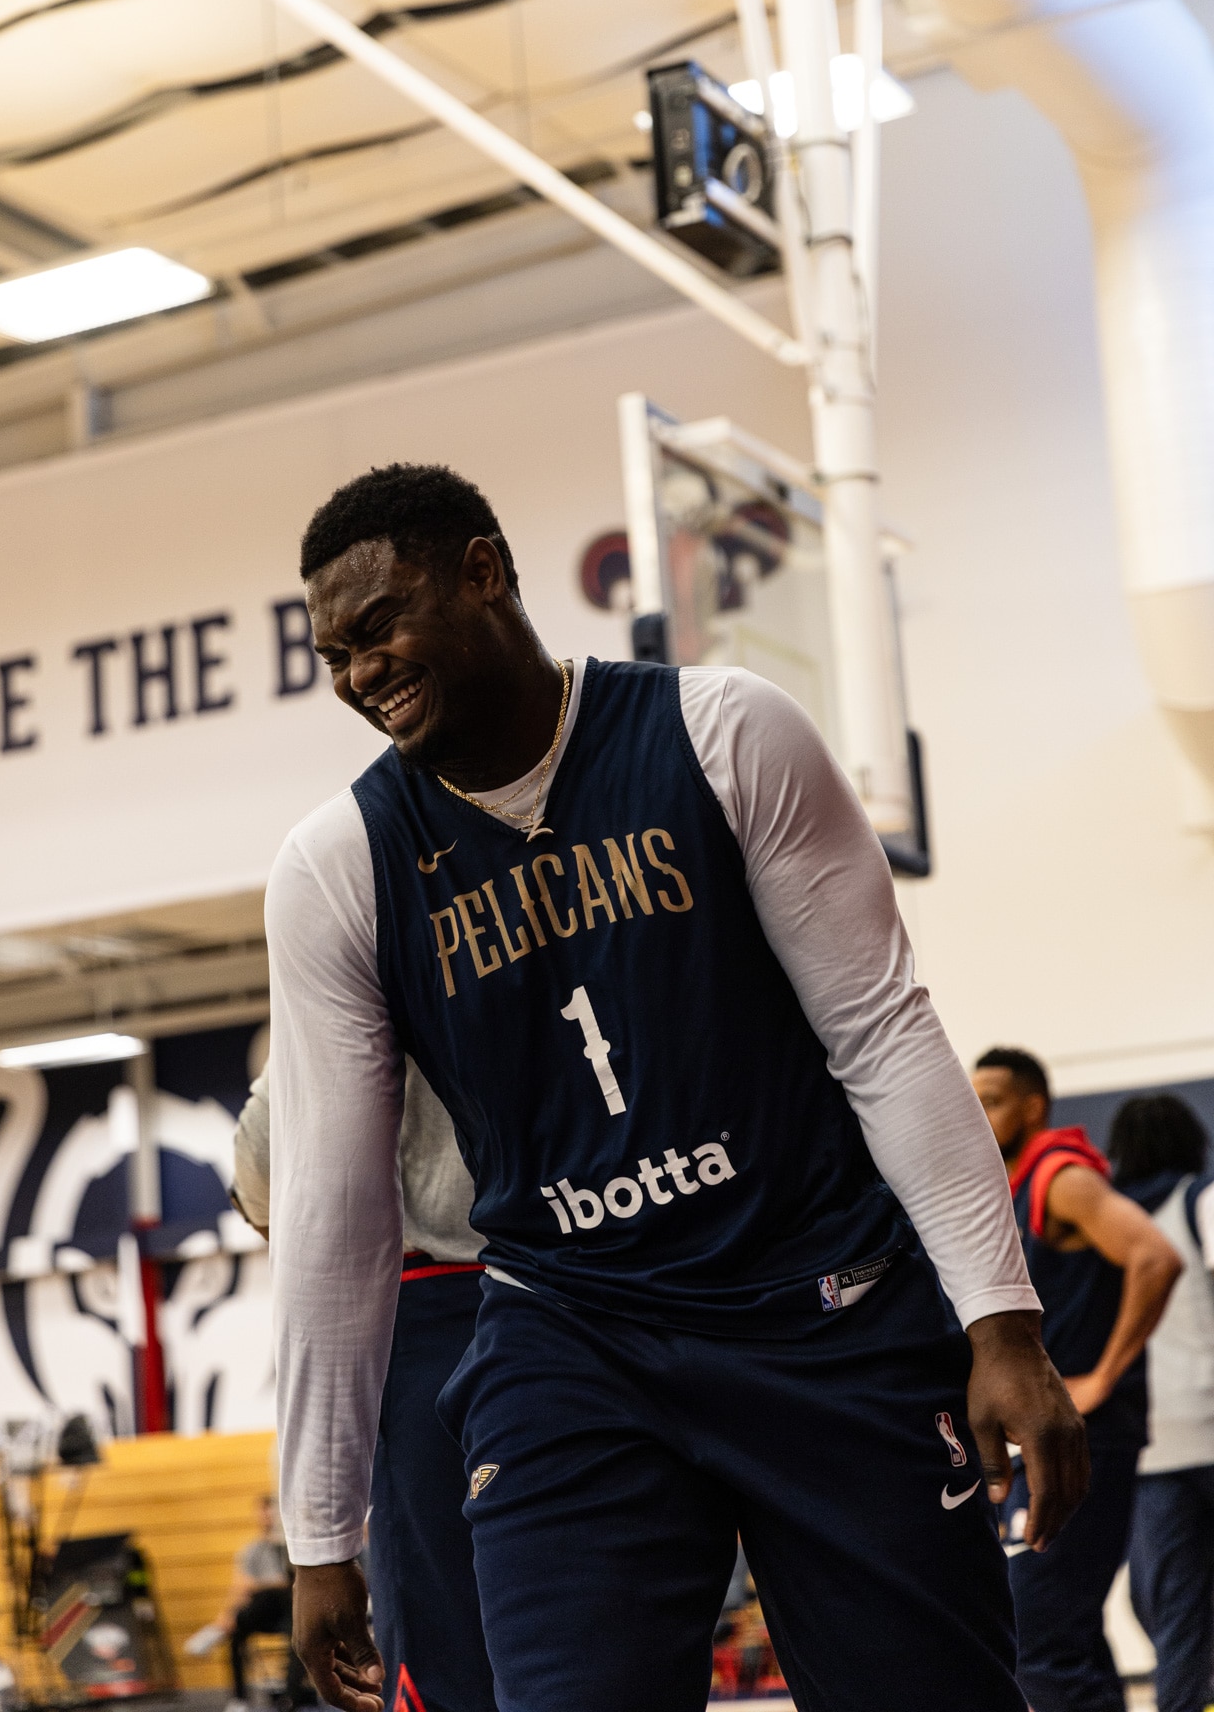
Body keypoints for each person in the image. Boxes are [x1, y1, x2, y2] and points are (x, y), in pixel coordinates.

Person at [269, 462, 1088, 1712]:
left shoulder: (722, 731)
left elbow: (881, 1035)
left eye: (379, 626)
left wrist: (1003, 1325)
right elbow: (333, 1213)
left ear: (484, 572)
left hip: (823, 1308)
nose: (360, 671)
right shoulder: (338, 869)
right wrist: (321, 1530)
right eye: (333, 654)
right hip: (569, 1335)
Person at [231, 1062, 497, 1712]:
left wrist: (319, 1557)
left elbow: (259, 1168)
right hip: (586, 1283)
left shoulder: (354, 973)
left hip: (427, 1307)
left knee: (447, 1643)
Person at [972, 1048, 1183, 1712]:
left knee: (1039, 1637)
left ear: (1032, 1107)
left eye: (993, 1101)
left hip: (1084, 1436)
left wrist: (1102, 1376)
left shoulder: (1061, 1176)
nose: (978, 1114)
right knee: (1068, 1634)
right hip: (1048, 1437)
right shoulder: (1012, 1186)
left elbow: (1156, 1255)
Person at [1108, 1093, 1214, 1712]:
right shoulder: (1201, 1199)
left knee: (1170, 1617)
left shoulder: (1107, 1223)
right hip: (1205, 1423)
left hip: (1152, 1443)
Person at [187, 1493, 308, 1712]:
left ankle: (291, 1696)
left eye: (272, 1512)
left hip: (290, 1611)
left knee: (293, 1625)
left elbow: (292, 1583)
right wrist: (227, 1615)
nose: (268, 1517)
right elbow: (240, 1587)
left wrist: (262, 1585)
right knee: (238, 1628)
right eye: (264, 1512)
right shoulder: (252, 1550)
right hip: (263, 1612)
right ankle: (240, 1698)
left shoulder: (293, 1547)